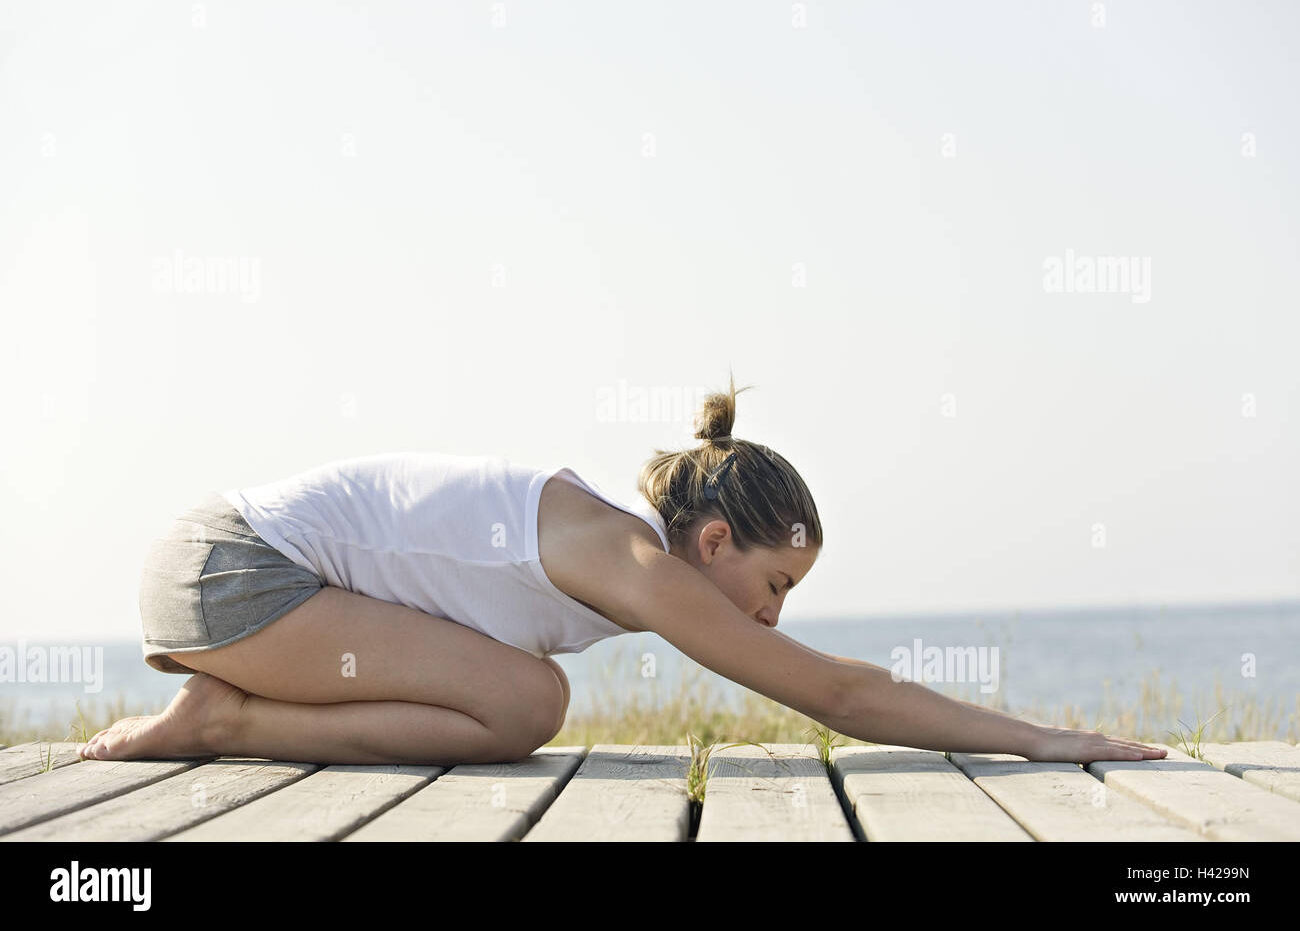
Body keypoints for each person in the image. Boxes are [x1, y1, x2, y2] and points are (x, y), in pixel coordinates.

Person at [79, 372, 1166, 766]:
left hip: (249, 580)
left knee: (523, 695)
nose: (772, 615)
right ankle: (223, 720)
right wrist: (1036, 736)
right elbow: (836, 692)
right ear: (711, 543)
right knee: (524, 700)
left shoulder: (616, 546)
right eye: (775, 585)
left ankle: (231, 704)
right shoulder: (635, 559)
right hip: (229, 570)